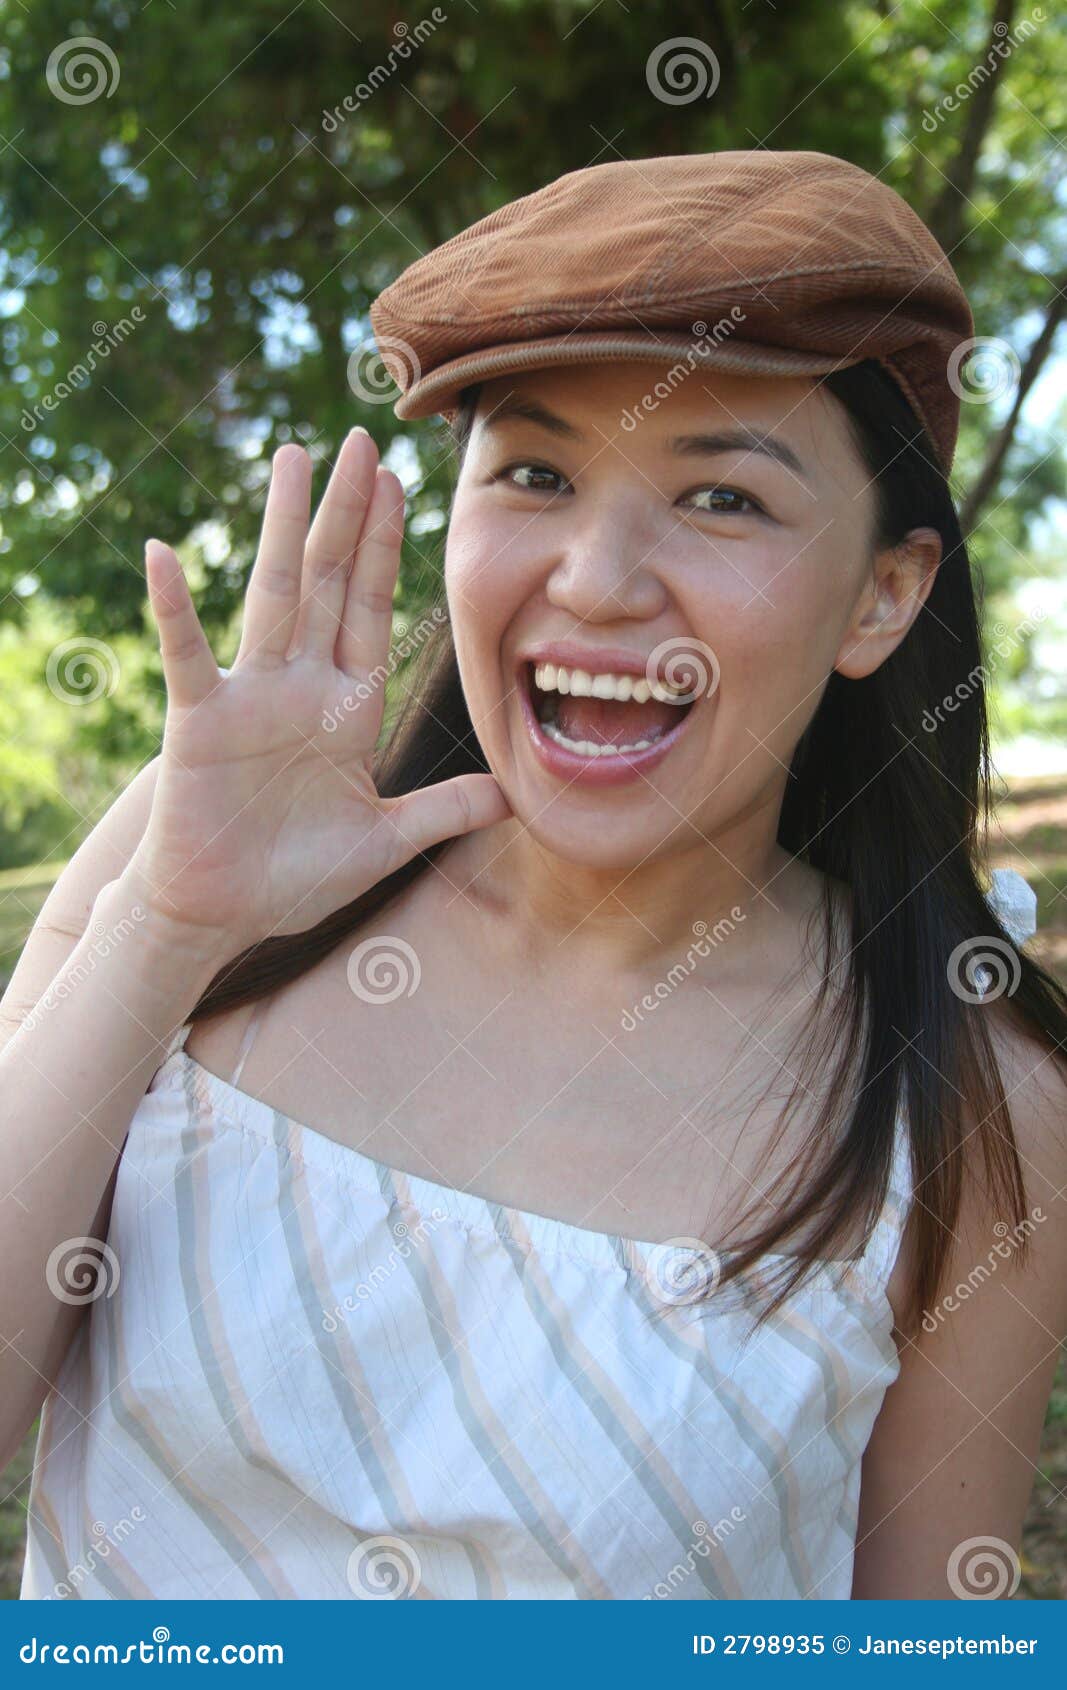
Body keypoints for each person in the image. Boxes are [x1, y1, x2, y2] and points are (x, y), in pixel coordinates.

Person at [5, 150, 1066, 1602]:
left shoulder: (975, 1104)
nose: (596, 577)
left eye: (724, 499)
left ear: (883, 592)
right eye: (538, 474)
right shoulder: (191, 868)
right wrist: (165, 929)